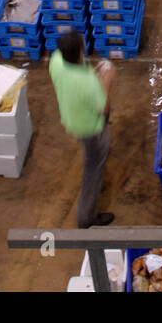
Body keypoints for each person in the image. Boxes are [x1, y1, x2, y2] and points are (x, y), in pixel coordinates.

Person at [49, 33, 115, 228]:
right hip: (90, 128)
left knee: (96, 155)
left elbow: (75, 79)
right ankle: (86, 217)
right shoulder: (88, 84)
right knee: (93, 169)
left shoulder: (57, 61)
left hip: (71, 117)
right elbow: (103, 108)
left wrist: (93, 73)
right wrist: (106, 80)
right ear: (80, 51)